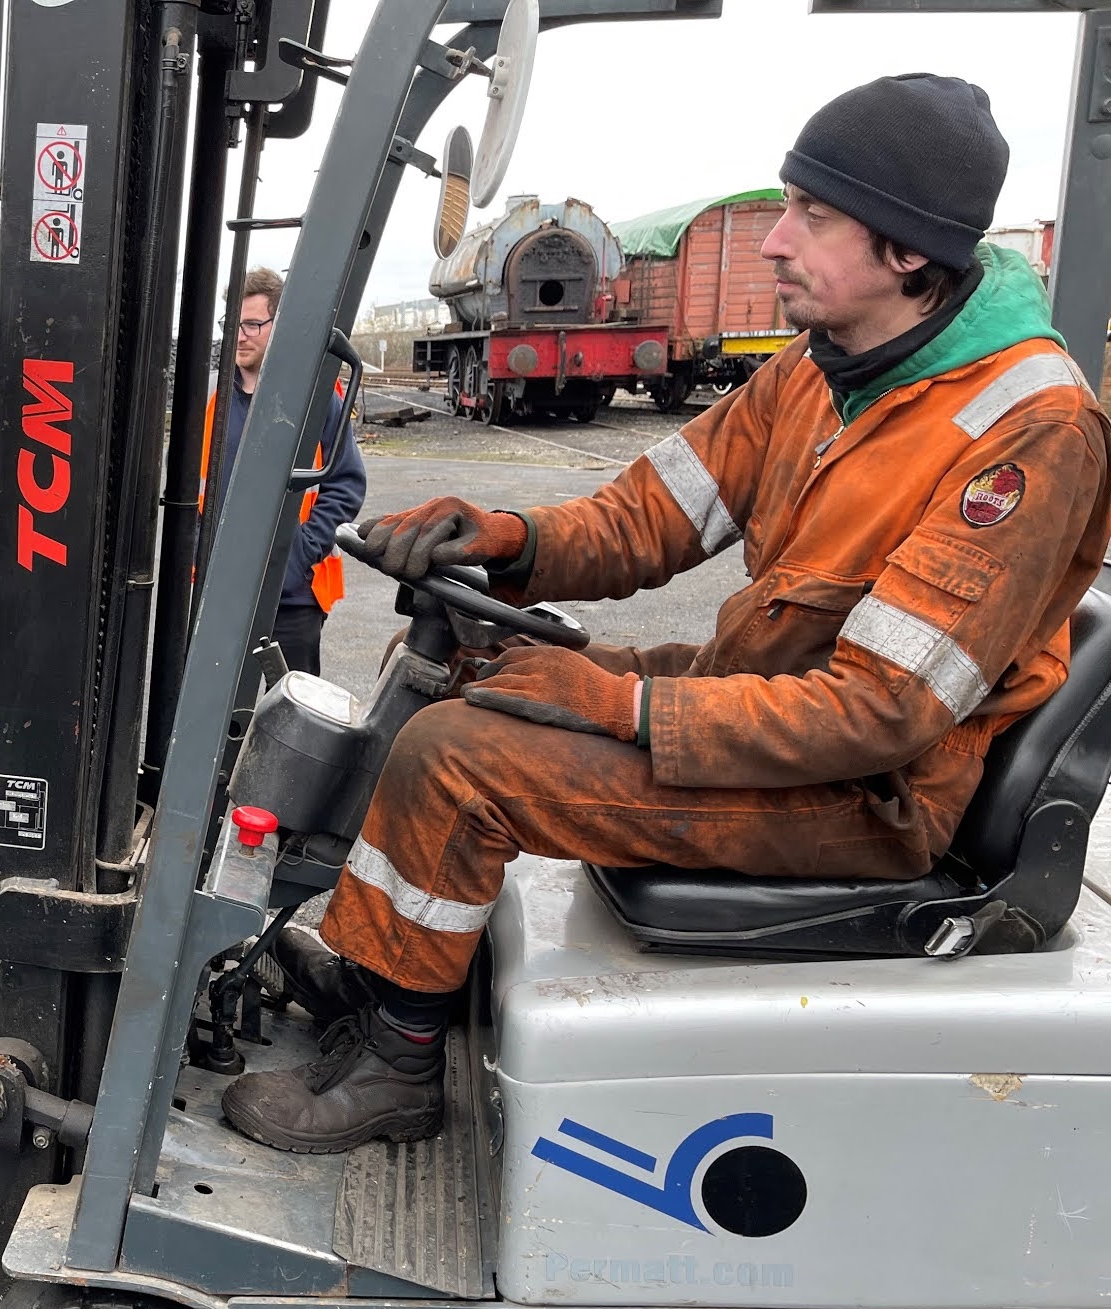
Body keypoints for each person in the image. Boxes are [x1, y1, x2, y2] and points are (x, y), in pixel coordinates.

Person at [224, 75, 1111, 1154]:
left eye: (811, 216)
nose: (774, 241)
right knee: (471, 680)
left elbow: (879, 712)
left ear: (906, 252)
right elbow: (648, 519)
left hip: (861, 794)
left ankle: (397, 1066)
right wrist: (509, 541)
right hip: (766, 709)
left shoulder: (1022, 431)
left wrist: (613, 699)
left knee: (461, 758)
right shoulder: (817, 371)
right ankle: (385, 976)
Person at [210, 266, 366, 675]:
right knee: (216, 723)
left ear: (276, 325)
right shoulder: (213, 402)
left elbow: (346, 484)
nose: (239, 335)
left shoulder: (316, 402)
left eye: (252, 324)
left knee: (290, 715)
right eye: (232, 324)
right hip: (221, 595)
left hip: (294, 596)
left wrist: (298, 554)